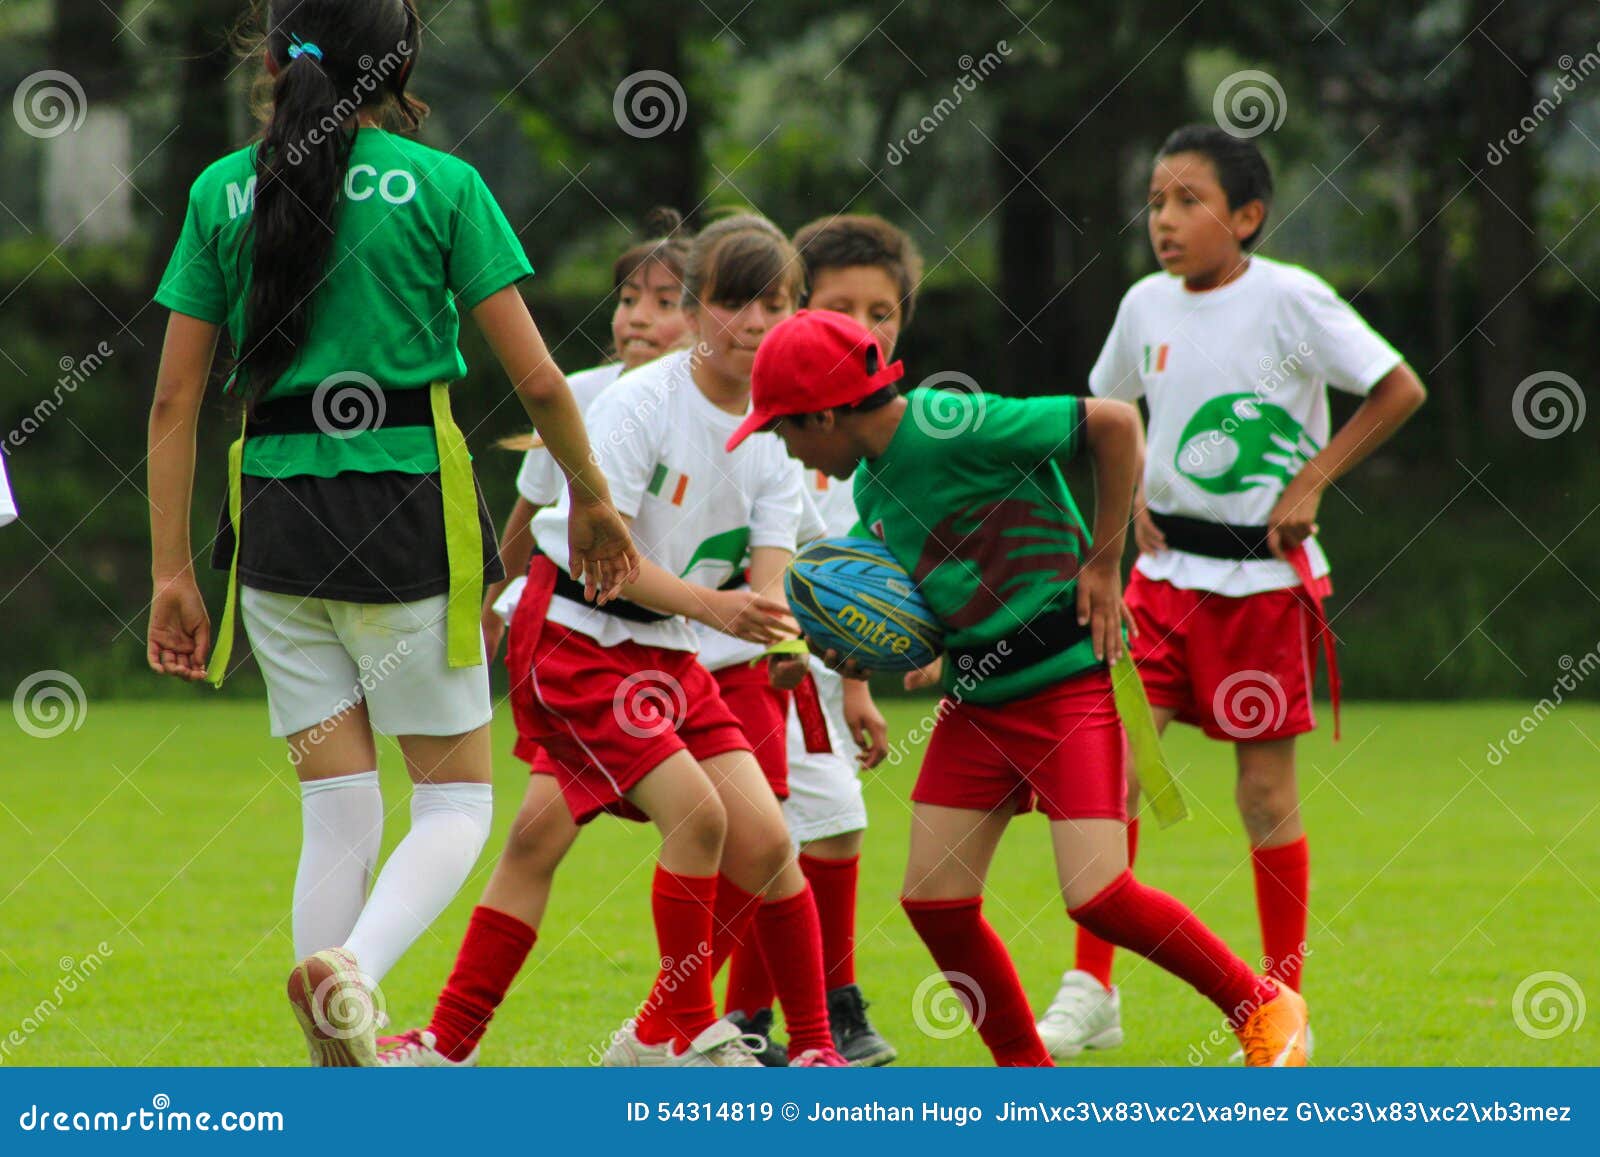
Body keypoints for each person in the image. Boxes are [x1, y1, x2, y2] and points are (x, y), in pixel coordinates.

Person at [144, 0, 636, 1067]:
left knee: (337, 807)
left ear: (275, 57)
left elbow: (173, 402)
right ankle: (352, 971)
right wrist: (591, 497)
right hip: (404, 511)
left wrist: (172, 573)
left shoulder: (219, 188)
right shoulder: (444, 185)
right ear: (402, 65)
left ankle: (336, 1061)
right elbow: (542, 378)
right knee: (455, 796)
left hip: (271, 523)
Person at [733, 308, 1312, 1067]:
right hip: (978, 701)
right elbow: (922, 600)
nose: (783, 444)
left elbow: (1113, 424)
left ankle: (1262, 1006)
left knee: (1099, 893)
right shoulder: (872, 491)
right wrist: (841, 650)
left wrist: (1106, 562)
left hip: (1068, 680)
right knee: (933, 902)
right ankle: (1025, 1075)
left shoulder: (951, 421)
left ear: (827, 412)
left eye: (785, 428)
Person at [381, 215, 846, 1068]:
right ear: (702, 311)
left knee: (766, 841)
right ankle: (681, 1030)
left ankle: (817, 1050)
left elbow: (774, 562)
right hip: (577, 641)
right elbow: (611, 562)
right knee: (699, 816)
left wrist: (788, 623)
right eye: (733, 301)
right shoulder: (640, 403)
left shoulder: (778, 424)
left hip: (666, 655)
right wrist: (718, 609)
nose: (752, 322)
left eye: (773, 303)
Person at [1038, 124, 1426, 1060]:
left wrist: (1315, 479)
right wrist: (1127, 510)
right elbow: (1108, 414)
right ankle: (1093, 988)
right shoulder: (1142, 304)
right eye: (1156, 201)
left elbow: (1397, 387)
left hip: (1263, 586)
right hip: (1162, 584)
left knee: (1263, 794)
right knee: (1117, 772)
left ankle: (1281, 1002)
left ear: (1247, 216)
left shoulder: (1293, 299)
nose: (1163, 220)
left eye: (1188, 201)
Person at [720, 215, 920, 1066]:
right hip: (755, 654)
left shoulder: (879, 436)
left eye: (884, 313)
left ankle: (758, 1019)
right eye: (844, 307)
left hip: (822, 660)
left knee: (813, 828)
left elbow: (860, 574)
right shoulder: (777, 424)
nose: (866, 329)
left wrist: (863, 679)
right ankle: (795, 1012)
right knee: (802, 828)